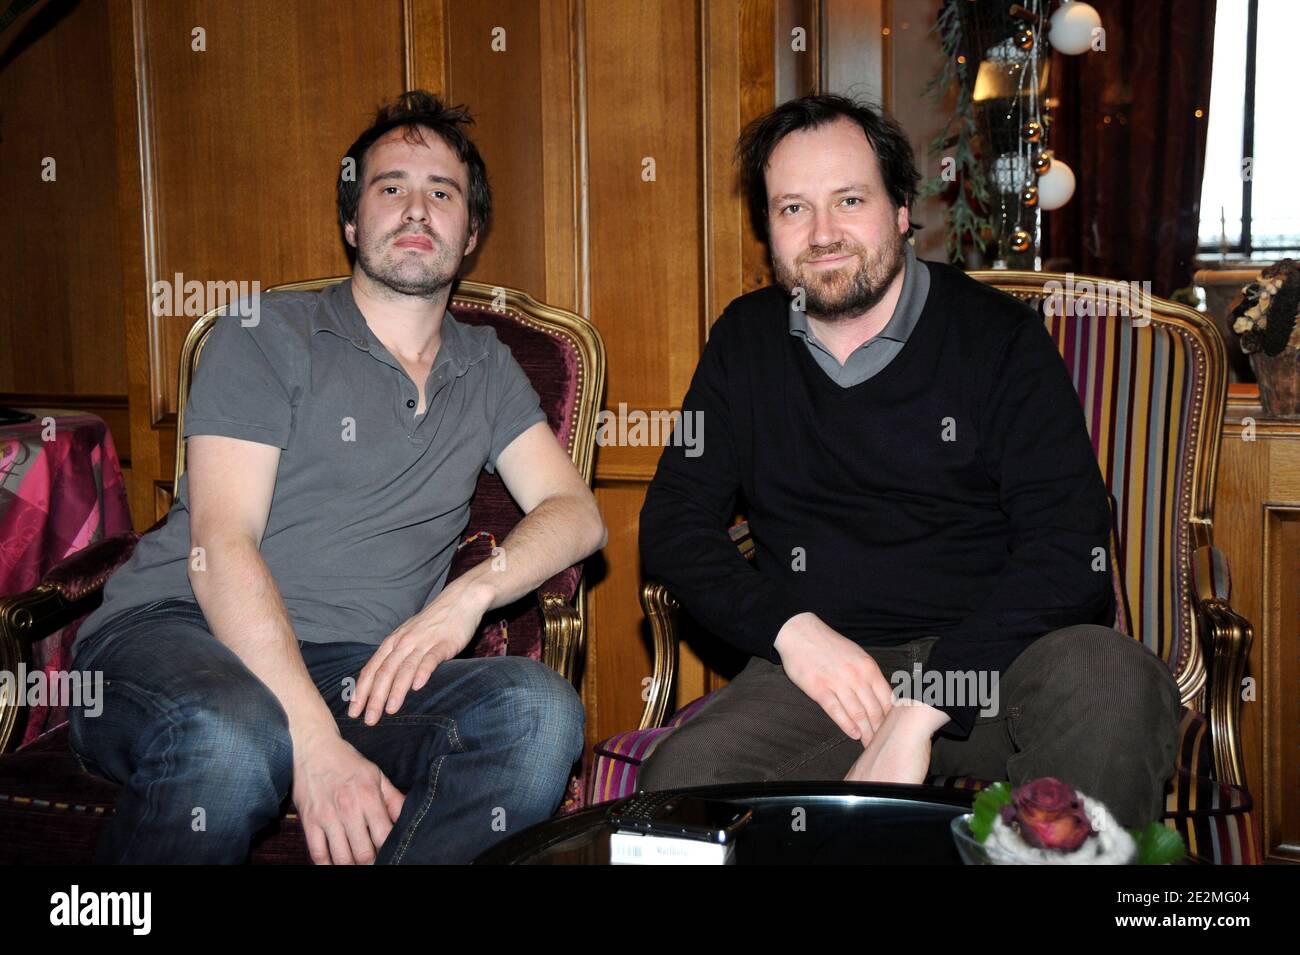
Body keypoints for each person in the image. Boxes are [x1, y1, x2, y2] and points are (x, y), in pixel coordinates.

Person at [68, 91, 606, 864]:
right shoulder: (264, 334)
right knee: (231, 736)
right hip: (181, 633)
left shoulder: (487, 366)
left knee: (539, 713)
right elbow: (221, 544)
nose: (417, 208)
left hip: (358, 666)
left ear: (472, 233)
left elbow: (575, 512)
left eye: (442, 193)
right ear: (353, 222)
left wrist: (469, 596)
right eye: (391, 187)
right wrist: (314, 745)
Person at [636, 94, 1181, 829]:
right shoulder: (745, 342)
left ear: (899, 210)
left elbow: (1070, 543)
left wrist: (925, 704)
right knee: (686, 782)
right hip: (830, 675)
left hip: (1002, 664)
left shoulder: (998, 340)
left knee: (1116, 683)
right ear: (767, 231)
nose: (823, 233)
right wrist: (794, 633)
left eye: (849, 199)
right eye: (793, 209)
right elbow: (673, 521)